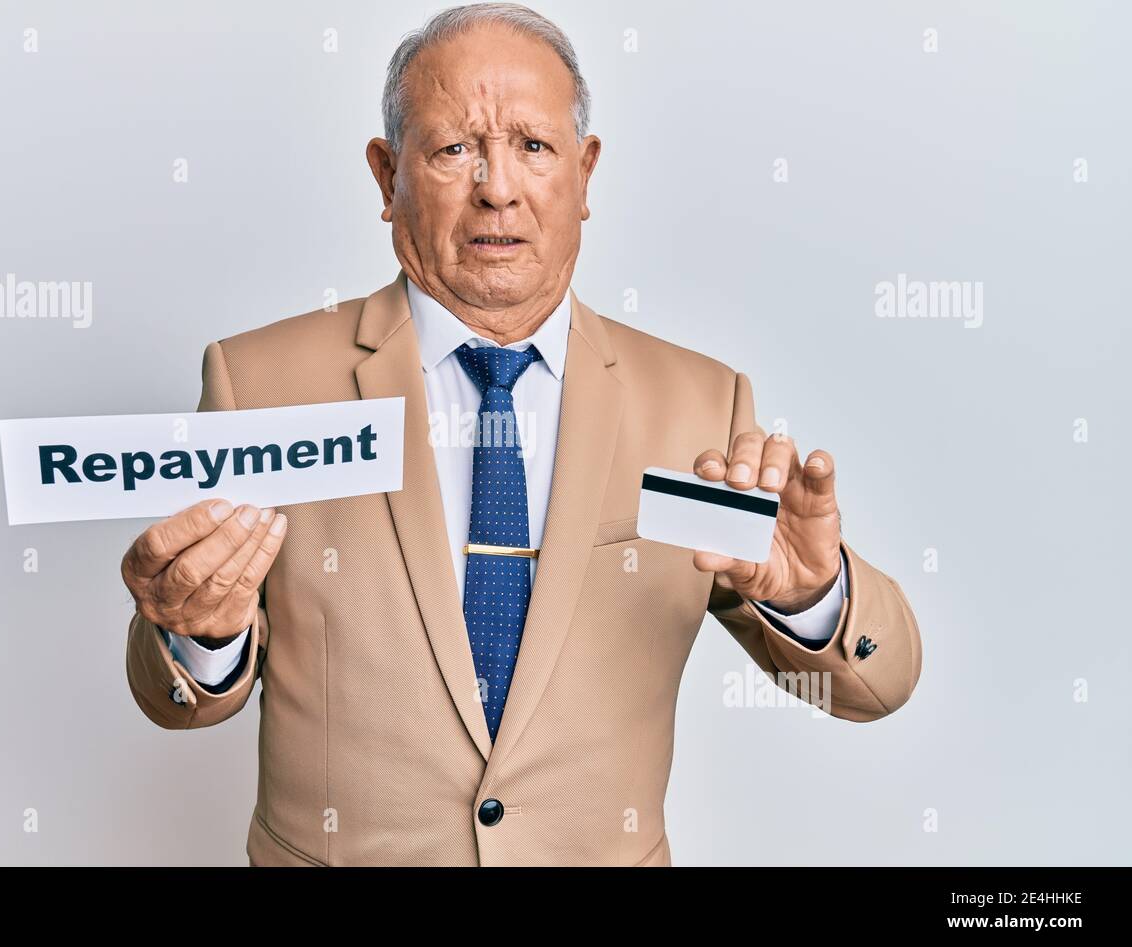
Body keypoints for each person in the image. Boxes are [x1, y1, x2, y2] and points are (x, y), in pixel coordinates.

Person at [120, 2, 921, 866]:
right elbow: (177, 700)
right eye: (453, 148)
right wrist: (197, 633)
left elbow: (877, 687)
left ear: (586, 174)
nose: (496, 187)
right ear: (386, 177)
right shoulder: (261, 387)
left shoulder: (700, 404)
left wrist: (811, 596)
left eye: (533, 148)